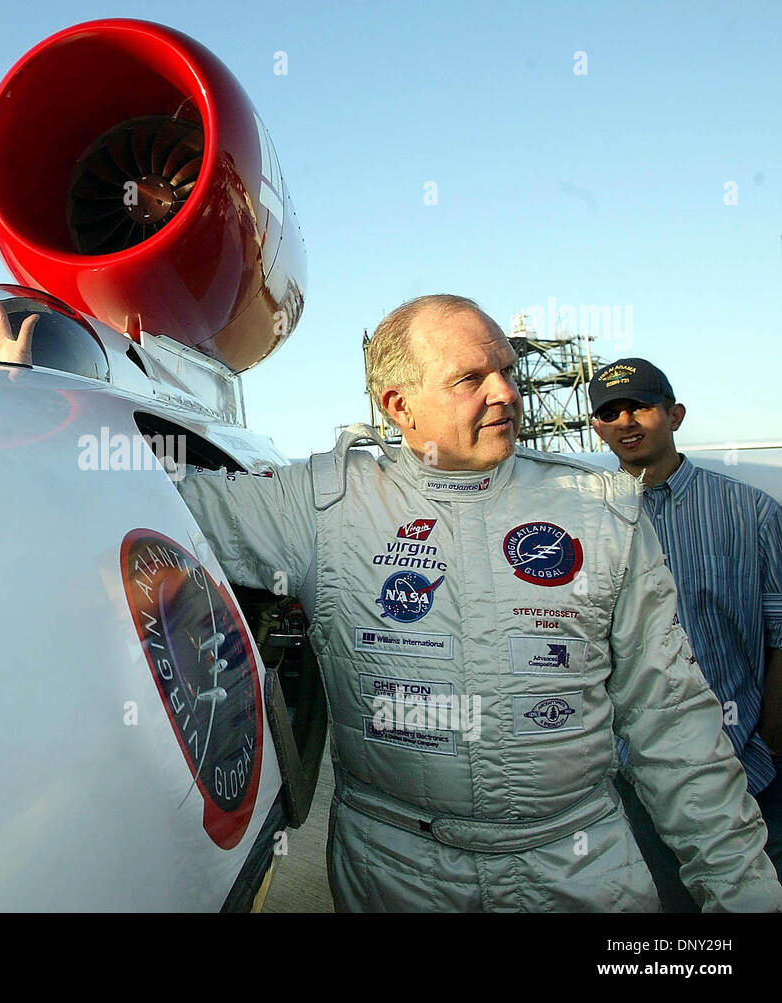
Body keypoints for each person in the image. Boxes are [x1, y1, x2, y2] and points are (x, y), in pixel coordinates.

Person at [174, 294, 781, 911]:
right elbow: (148, 493)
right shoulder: (323, 506)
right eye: (472, 379)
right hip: (396, 872)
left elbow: (671, 719)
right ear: (398, 405)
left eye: (511, 372)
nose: (507, 394)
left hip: (578, 867)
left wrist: (744, 893)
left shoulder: (599, 510)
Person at [588, 358, 782, 909]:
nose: (626, 421)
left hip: (747, 769)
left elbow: (780, 635)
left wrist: (771, 738)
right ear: (596, 428)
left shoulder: (751, 513)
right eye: (609, 412)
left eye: (641, 406)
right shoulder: (582, 522)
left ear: (674, 414)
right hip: (629, 783)